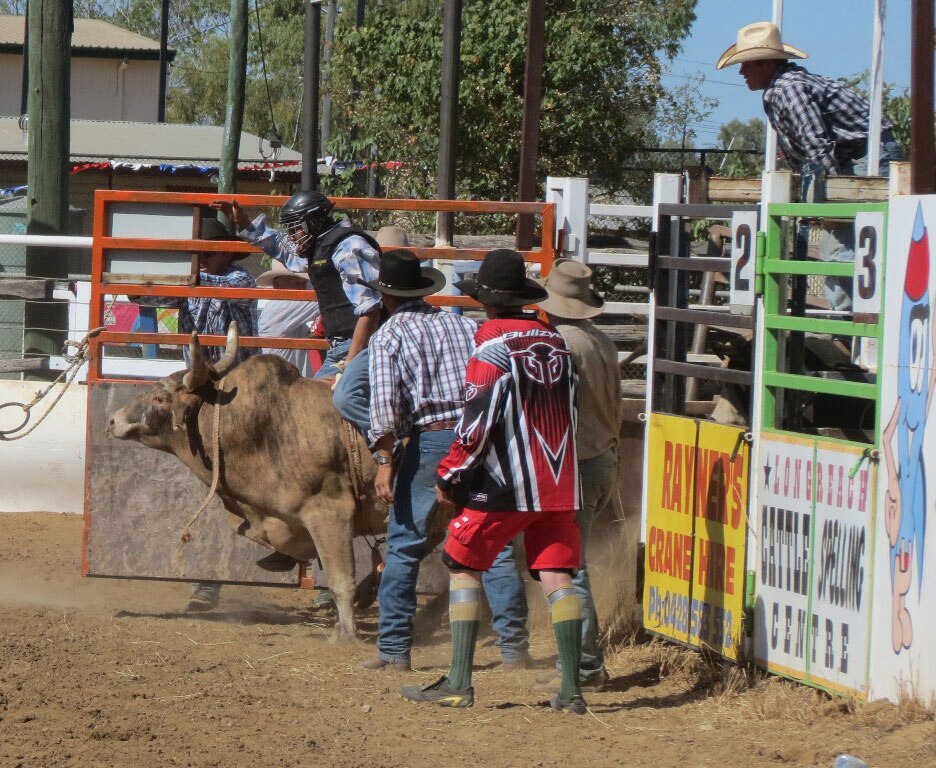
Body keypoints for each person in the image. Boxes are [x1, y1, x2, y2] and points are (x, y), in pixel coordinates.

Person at [400, 249, 586, 714]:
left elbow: (476, 423)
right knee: (557, 574)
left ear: (485, 302)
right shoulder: (557, 343)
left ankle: (460, 682)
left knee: (463, 563)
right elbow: (572, 413)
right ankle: (571, 691)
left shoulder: (491, 348)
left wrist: (451, 472)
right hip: (560, 481)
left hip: (505, 484)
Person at [361, 249, 530, 672]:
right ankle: (514, 650)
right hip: (481, 437)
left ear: (385, 297)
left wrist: (385, 459)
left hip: (431, 441)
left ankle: (395, 649)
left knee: (404, 547)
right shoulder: (460, 323)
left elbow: (383, 406)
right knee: (492, 545)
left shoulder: (389, 335)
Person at [716, 21, 904, 312]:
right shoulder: (786, 86)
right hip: (860, 154)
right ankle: (849, 323)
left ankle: (848, 326)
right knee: (845, 242)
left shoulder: (787, 90)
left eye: (746, 64)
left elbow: (816, 143)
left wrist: (820, 199)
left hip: (866, 156)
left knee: (844, 241)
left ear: (766, 63)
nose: (741, 72)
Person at [134, 216, 260, 611]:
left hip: (239, 390)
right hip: (201, 389)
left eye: (207, 251)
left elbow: (202, 288)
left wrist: (170, 274)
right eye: (197, 253)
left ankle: (217, 580)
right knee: (212, 479)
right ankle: (209, 580)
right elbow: (147, 296)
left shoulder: (238, 279)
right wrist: (143, 281)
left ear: (225, 251)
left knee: (236, 479)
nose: (201, 259)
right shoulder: (198, 280)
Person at [531, 259, 621, 692]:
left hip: (578, 464)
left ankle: (585, 666)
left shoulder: (561, 344)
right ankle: (586, 661)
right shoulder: (600, 341)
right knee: (574, 564)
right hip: (602, 456)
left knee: (569, 567)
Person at [210, 192, 382, 378]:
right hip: (340, 348)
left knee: (346, 397)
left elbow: (370, 310)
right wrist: (244, 222)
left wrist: (349, 362)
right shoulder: (321, 250)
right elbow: (281, 249)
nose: (291, 237)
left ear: (313, 223)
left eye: (295, 229)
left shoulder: (349, 248)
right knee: (316, 403)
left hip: (364, 346)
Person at [256, 260, 320, 378]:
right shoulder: (281, 307)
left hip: (289, 382)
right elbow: (326, 299)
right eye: (297, 282)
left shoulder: (281, 308)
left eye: (304, 283)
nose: (304, 287)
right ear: (278, 284)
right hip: (287, 385)